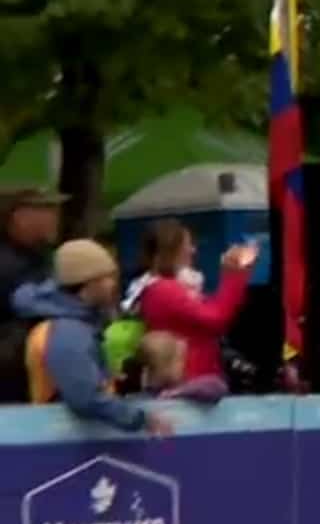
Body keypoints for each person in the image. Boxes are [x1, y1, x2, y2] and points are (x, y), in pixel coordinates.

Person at [7, 239, 172, 434]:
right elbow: (84, 396)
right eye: (108, 277)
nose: (114, 284)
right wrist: (138, 418)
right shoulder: (69, 331)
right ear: (90, 283)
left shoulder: (76, 326)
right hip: (61, 443)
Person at [130, 220, 256, 387]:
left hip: (192, 375)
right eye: (187, 245)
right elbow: (215, 319)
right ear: (171, 250)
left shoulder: (165, 287)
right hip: (188, 379)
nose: (193, 251)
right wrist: (234, 275)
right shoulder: (163, 290)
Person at [0, 186, 65, 323]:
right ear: (20, 218)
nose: (56, 218)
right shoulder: (8, 265)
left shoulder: (41, 252)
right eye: (47, 211)